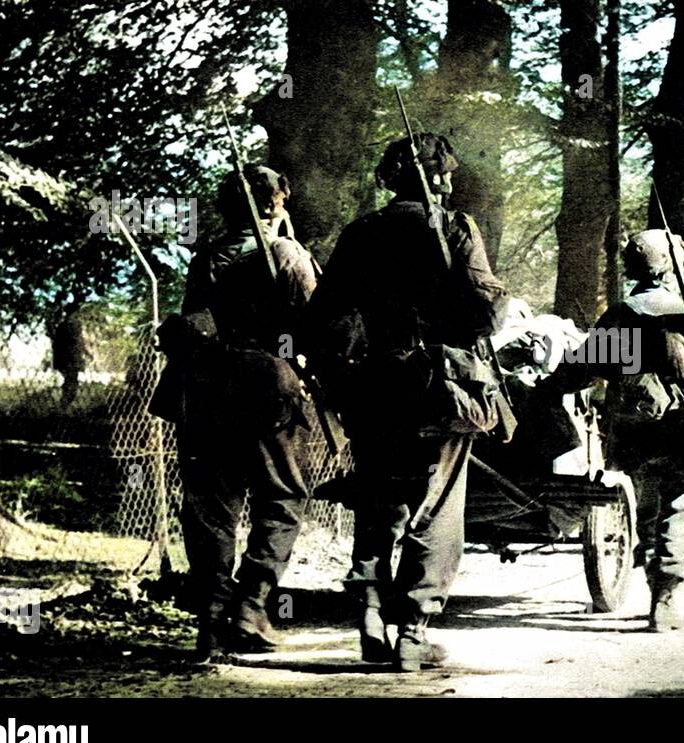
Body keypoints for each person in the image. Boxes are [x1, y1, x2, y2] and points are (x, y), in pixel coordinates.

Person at [303, 132, 508, 671]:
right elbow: (485, 316)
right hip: (439, 391)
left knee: (377, 501)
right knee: (435, 507)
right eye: (447, 174)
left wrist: (345, 373)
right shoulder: (457, 228)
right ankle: (412, 634)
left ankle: (369, 613)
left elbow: (324, 319)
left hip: (373, 389)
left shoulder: (361, 233)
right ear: (438, 177)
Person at [542, 230, 684, 631]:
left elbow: (585, 369)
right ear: (673, 264)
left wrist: (547, 389)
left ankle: (654, 585)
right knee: (680, 510)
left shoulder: (623, 314)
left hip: (633, 431)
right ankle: (664, 601)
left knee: (647, 510)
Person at [174, 165, 318, 662]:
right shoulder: (288, 255)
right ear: (276, 204)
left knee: (212, 503)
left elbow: (195, 321)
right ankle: (251, 606)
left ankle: (211, 622)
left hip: (209, 387)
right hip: (267, 387)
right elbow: (317, 327)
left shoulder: (207, 257)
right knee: (282, 497)